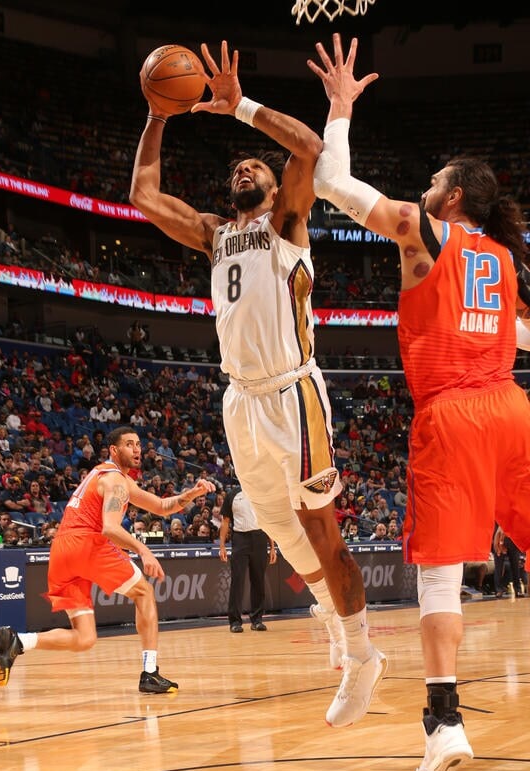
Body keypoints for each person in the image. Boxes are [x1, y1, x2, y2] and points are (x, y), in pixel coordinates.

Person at [130, 39, 386, 728]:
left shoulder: (288, 222)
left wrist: (239, 105)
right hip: (239, 401)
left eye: (256, 166)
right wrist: (158, 113)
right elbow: (143, 195)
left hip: (293, 393)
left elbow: (309, 148)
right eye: (237, 167)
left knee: (321, 529)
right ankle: (333, 618)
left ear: (275, 188)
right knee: (277, 523)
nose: (243, 167)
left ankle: (363, 654)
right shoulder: (215, 234)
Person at [309, 33, 530, 771]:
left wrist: (340, 107)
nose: (426, 186)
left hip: (453, 416)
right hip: (513, 410)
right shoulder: (505, 260)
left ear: (454, 195)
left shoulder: (422, 228)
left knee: (440, 578)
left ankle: (444, 724)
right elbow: (519, 334)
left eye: (436, 179)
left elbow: (331, 181)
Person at [0, 426, 216, 693]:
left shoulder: (107, 475)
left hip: (61, 549)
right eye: (129, 444)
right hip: (86, 543)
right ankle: (150, 672)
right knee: (144, 592)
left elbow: (161, 506)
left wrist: (191, 494)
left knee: (84, 638)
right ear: (114, 450)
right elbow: (109, 528)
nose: (136, 449)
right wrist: (143, 550)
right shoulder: (115, 481)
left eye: (138, 444)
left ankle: (18, 641)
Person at [219, 485, 276, 632]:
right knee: (237, 580)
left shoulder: (260, 492)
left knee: (258, 580)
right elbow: (225, 521)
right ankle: (235, 622)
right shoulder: (232, 494)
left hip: (259, 537)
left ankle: (257, 620)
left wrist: (272, 546)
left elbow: (268, 521)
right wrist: (222, 546)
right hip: (240, 538)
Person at [493, 525, 525, 597]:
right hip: (498, 537)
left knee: (515, 566)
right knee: (498, 567)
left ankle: (518, 589)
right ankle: (499, 590)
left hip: (512, 539)